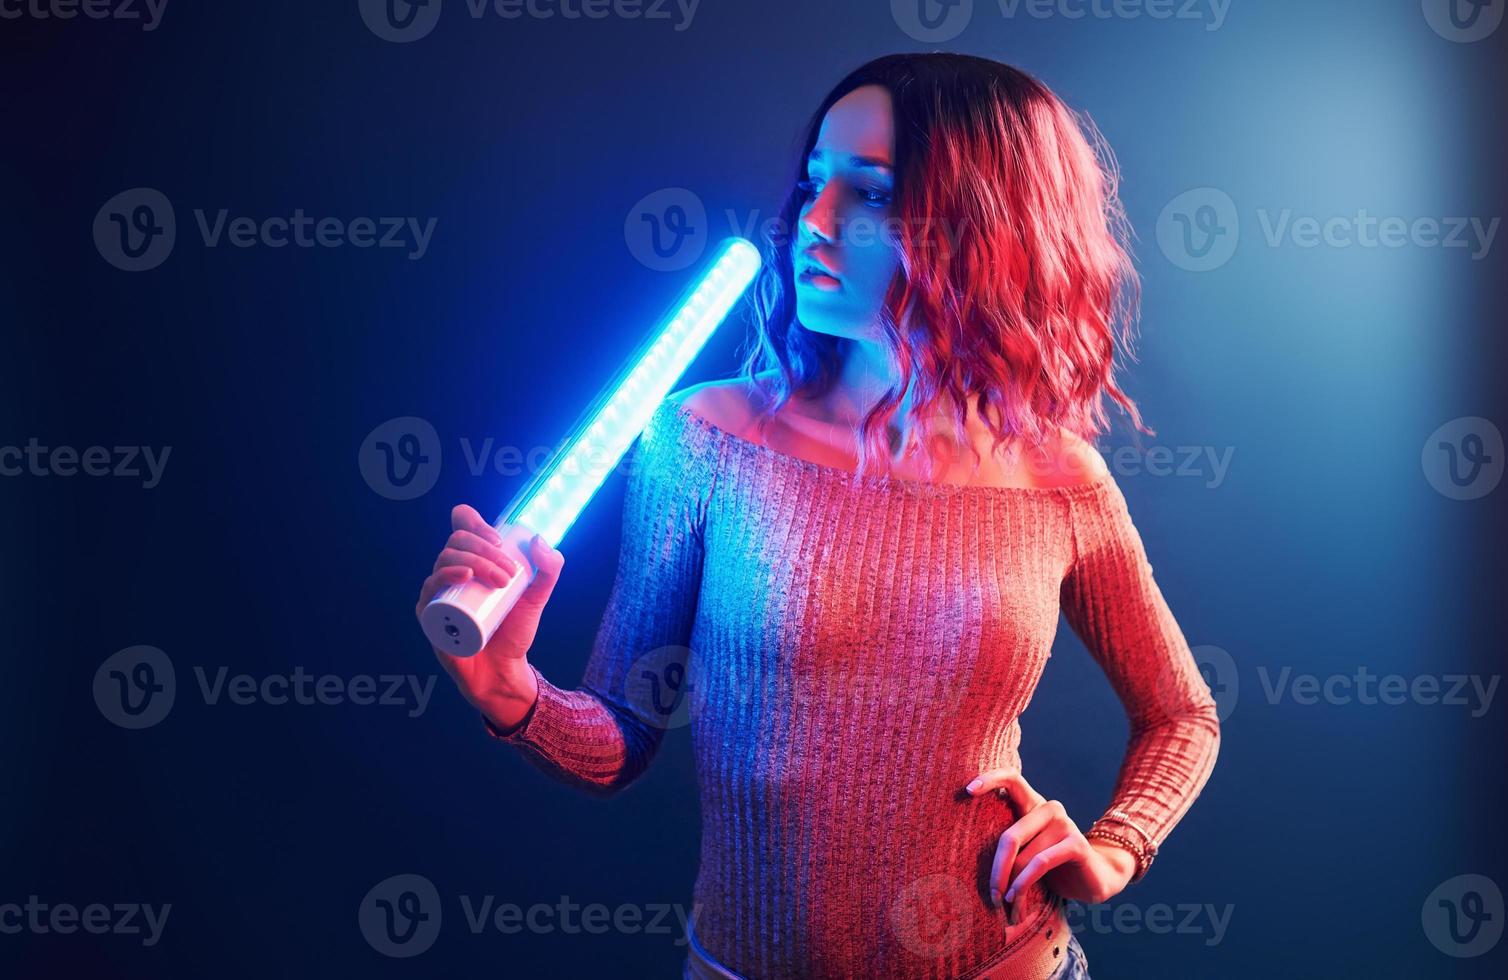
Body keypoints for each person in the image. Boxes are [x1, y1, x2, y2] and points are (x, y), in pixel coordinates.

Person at [415, 52, 1219, 980]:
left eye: (870, 195)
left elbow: (1182, 713)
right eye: (812, 186)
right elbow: (621, 738)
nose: (814, 225)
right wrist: (507, 690)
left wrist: (1116, 850)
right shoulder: (705, 437)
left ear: (988, 224)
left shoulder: (1058, 480)